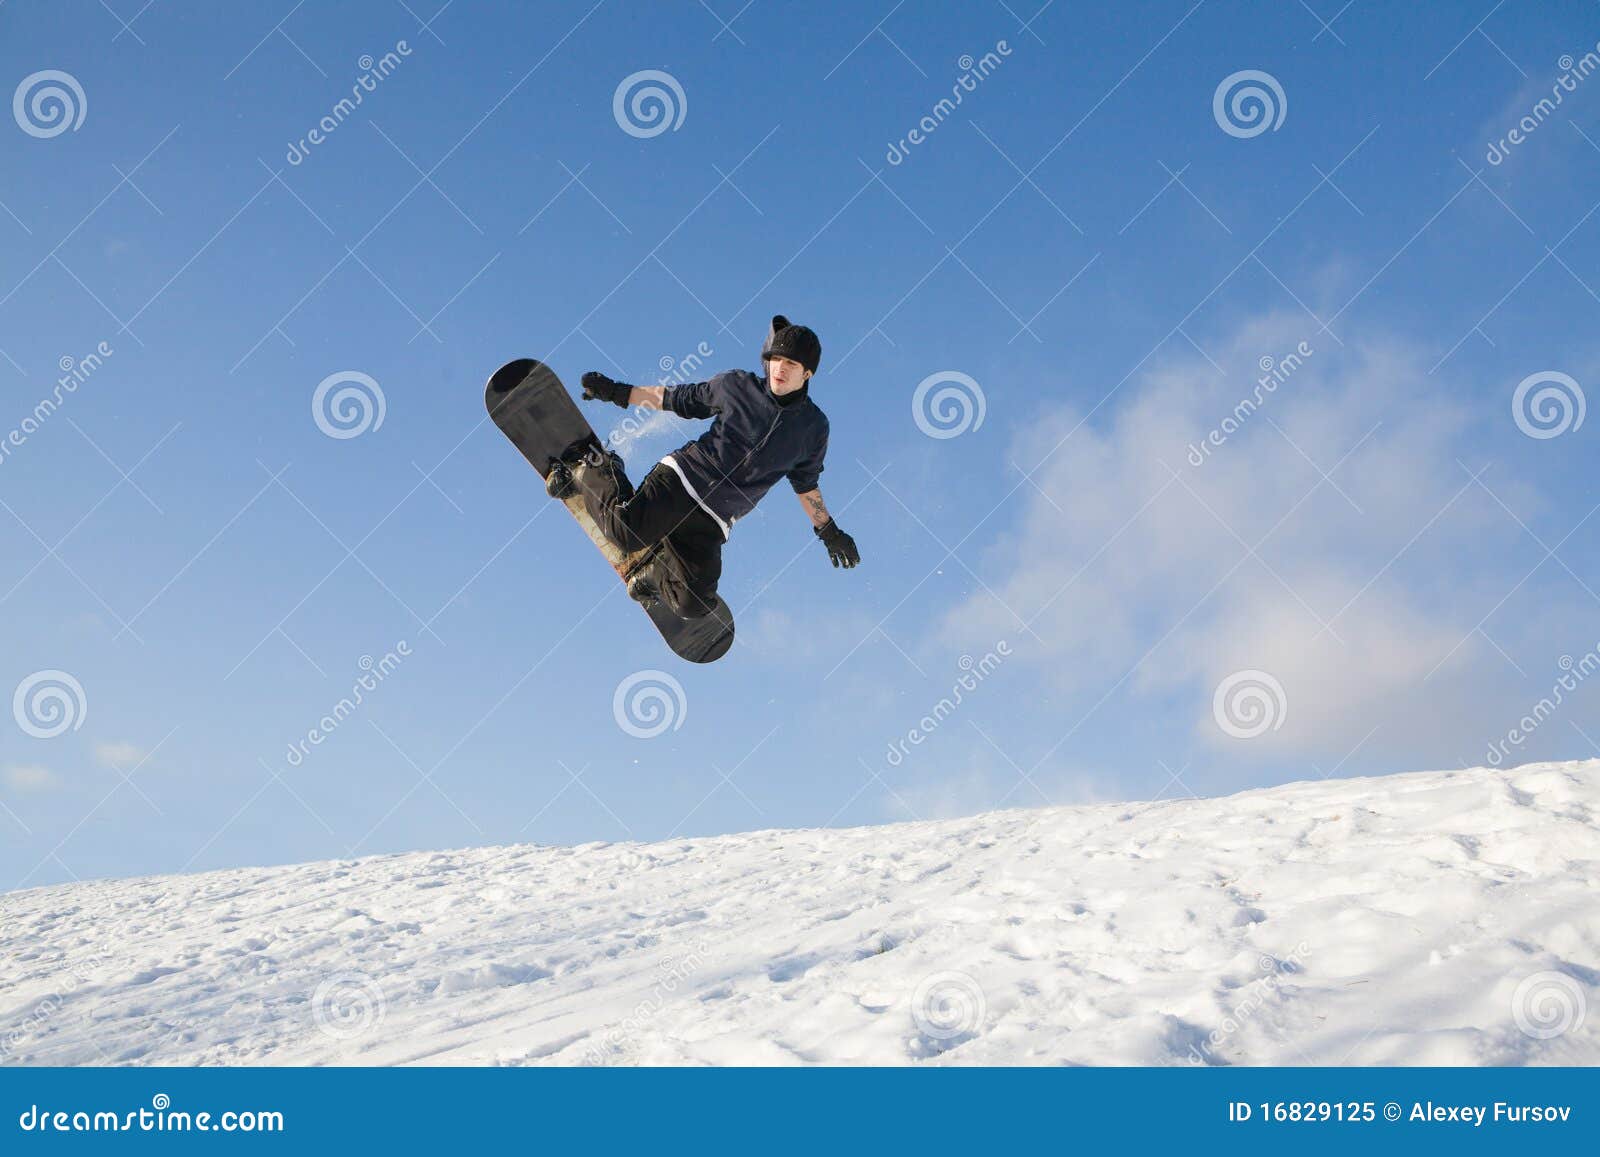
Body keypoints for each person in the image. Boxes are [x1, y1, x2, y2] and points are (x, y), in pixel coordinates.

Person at [562, 315, 860, 619]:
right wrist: (617, 391)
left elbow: (806, 484)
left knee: (695, 604)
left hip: (714, 519)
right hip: (682, 481)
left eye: (791, 364)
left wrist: (829, 531)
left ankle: (655, 573)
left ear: (807, 373)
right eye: (776, 359)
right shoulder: (737, 385)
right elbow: (677, 398)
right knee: (625, 533)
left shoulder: (813, 428)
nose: (780, 368)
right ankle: (596, 468)